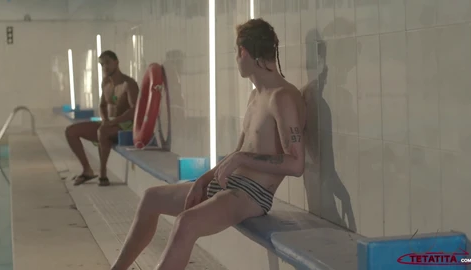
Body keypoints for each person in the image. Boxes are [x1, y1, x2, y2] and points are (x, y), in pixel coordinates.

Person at [110, 18, 306, 270]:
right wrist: (203, 180)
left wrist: (239, 160)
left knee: (186, 223)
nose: (236, 61)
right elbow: (239, 152)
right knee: (151, 198)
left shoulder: (283, 97)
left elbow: (296, 164)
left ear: (243, 52)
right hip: (229, 184)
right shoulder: (256, 95)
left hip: (251, 194)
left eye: (236, 54)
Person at [65, 50, 139, 186]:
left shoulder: (129, 84)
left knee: (103, 132)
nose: (105, 67)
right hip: (109, 124)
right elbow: (102, 105)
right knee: (71, 131)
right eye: (102, 64)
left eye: (108, 63)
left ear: (116, 62)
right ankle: (87, 170)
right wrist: (105, 120)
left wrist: (114, 122)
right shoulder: (106, 83)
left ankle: (103, 173)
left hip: (126, 127)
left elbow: (135, 110)